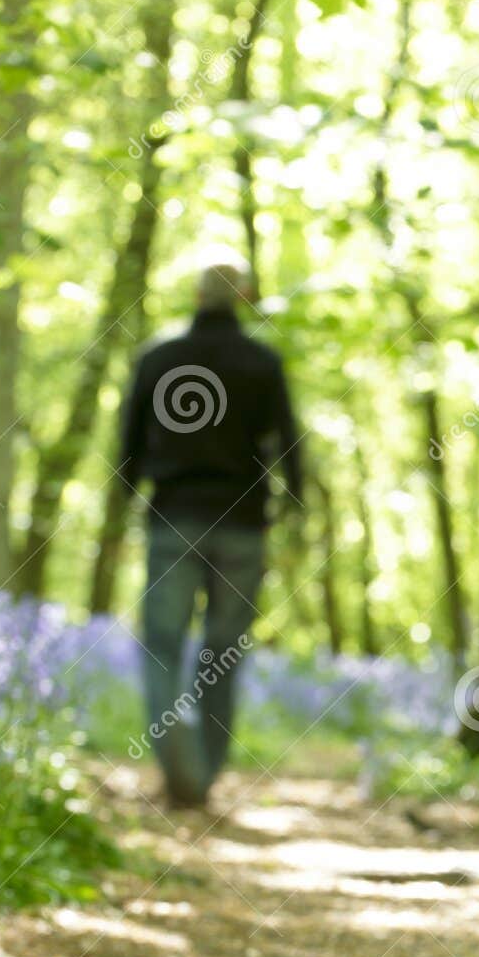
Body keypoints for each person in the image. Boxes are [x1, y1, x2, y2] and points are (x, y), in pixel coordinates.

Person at [116, 260, 303, 808]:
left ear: (197, 296)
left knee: (163, 647)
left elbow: (127, 446)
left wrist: (121, 505)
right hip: (245, 525)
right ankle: (206, 772)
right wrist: (296, 506)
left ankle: (182, 771)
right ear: (244, 295)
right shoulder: (262, 362)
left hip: (174, 519)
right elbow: (290, 443)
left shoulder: (158, 357)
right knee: (223, 651)